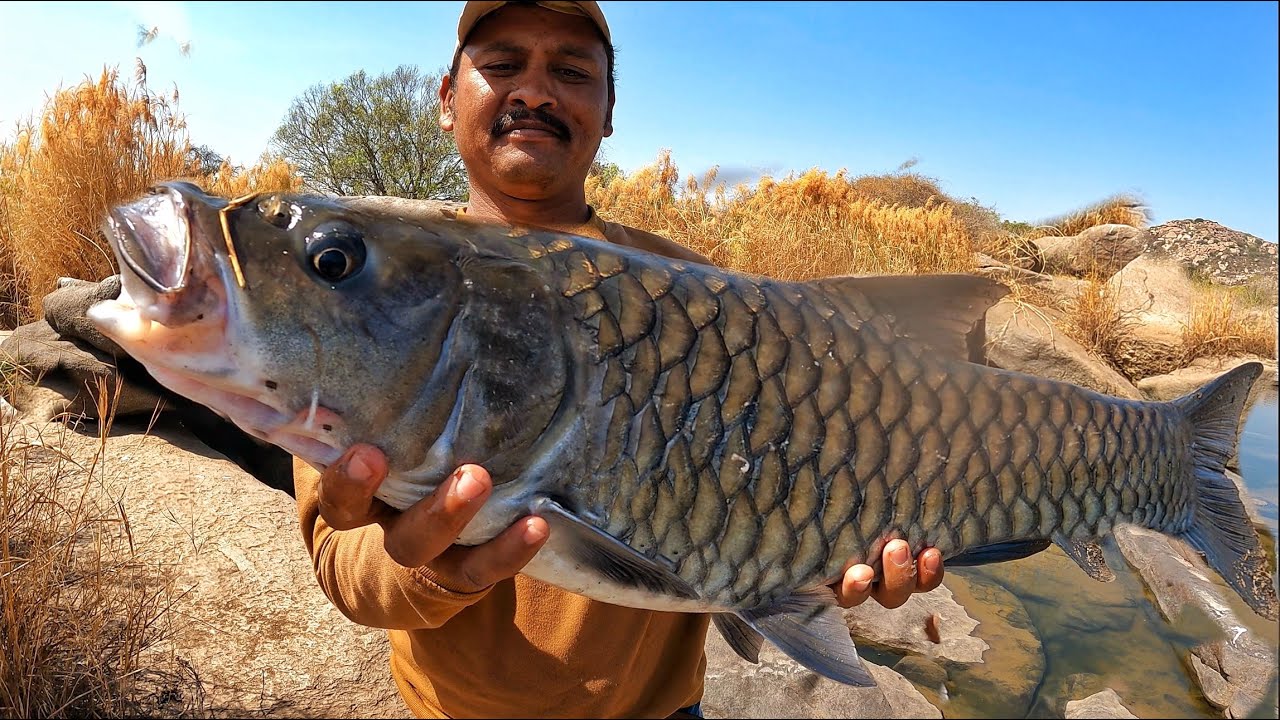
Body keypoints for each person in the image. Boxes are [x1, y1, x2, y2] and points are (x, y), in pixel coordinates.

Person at [293, 2, 946, 718]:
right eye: (503, 64)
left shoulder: (705, 298)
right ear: (448, 100)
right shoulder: (367, 293)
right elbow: (342, 563)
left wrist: (836, 549)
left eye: (571, 72)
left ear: (608, 112)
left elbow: (813, 466)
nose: (536, 92)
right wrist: (438, 567)